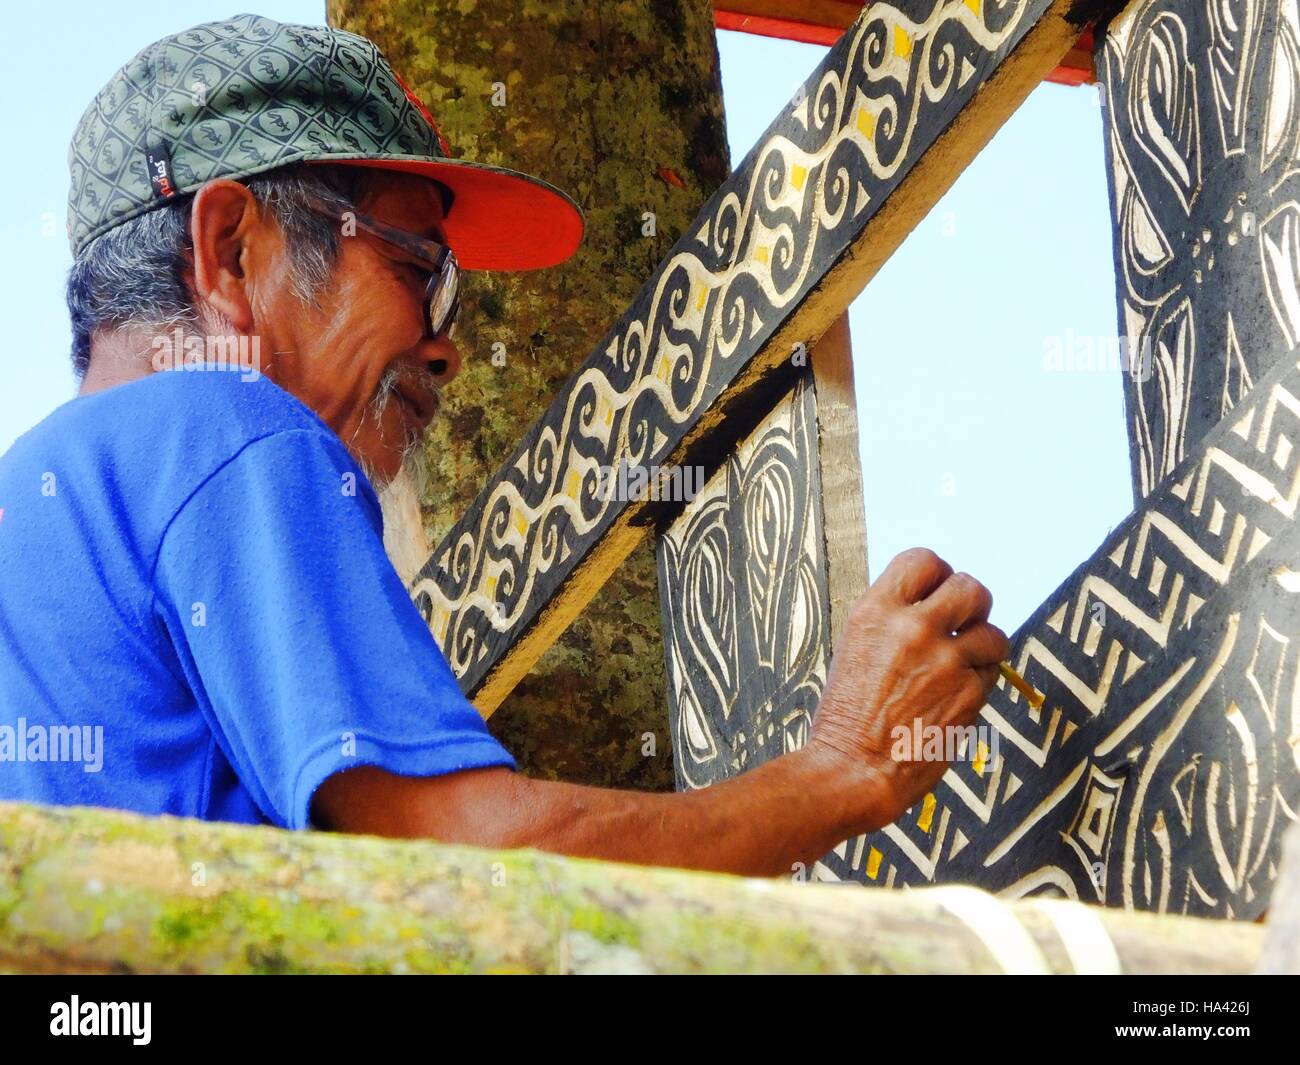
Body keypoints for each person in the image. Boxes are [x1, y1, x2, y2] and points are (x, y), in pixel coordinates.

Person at [0, 14, 1008, 877]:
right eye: (417, 270)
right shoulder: (224, 426)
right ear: (231, 248)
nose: (445, 348)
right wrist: (840, 770)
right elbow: (463, 859)